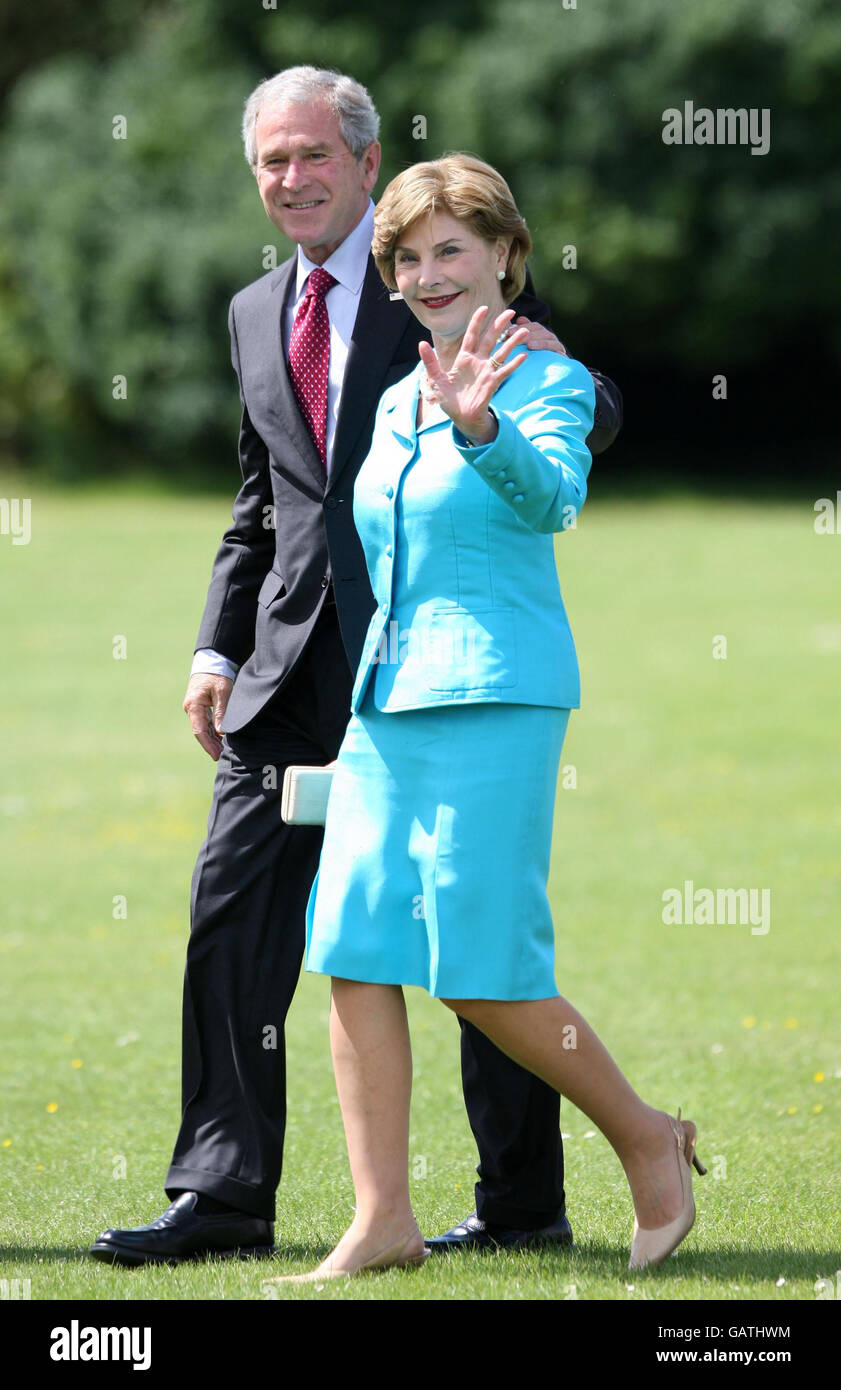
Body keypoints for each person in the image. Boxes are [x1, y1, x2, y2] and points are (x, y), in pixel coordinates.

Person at [89, 66, 623, 1268]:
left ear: (366, 163)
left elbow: (576, 404)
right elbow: (260, 501)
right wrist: (215, 646)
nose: (292, 179)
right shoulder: (249, 313)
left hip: (429, 667)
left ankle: (520, 1202)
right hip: (283, 674)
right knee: (230, 925)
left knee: (469, 936)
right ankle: (220, 1194)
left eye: (313, 155)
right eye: (271, 161)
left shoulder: (437, 275)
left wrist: (562, 400)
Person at [268, 153, 705, 1286]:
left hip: (497, 691)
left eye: (450, 250)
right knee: (353, 947)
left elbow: (554, 496)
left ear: (506, 255)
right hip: (385, 700)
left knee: (480, 967)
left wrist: (482, 429)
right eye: (407, 258)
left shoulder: (542, 378)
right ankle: (382, 1219)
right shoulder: (400, 390)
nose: (426, 274)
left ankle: (649, 1139)